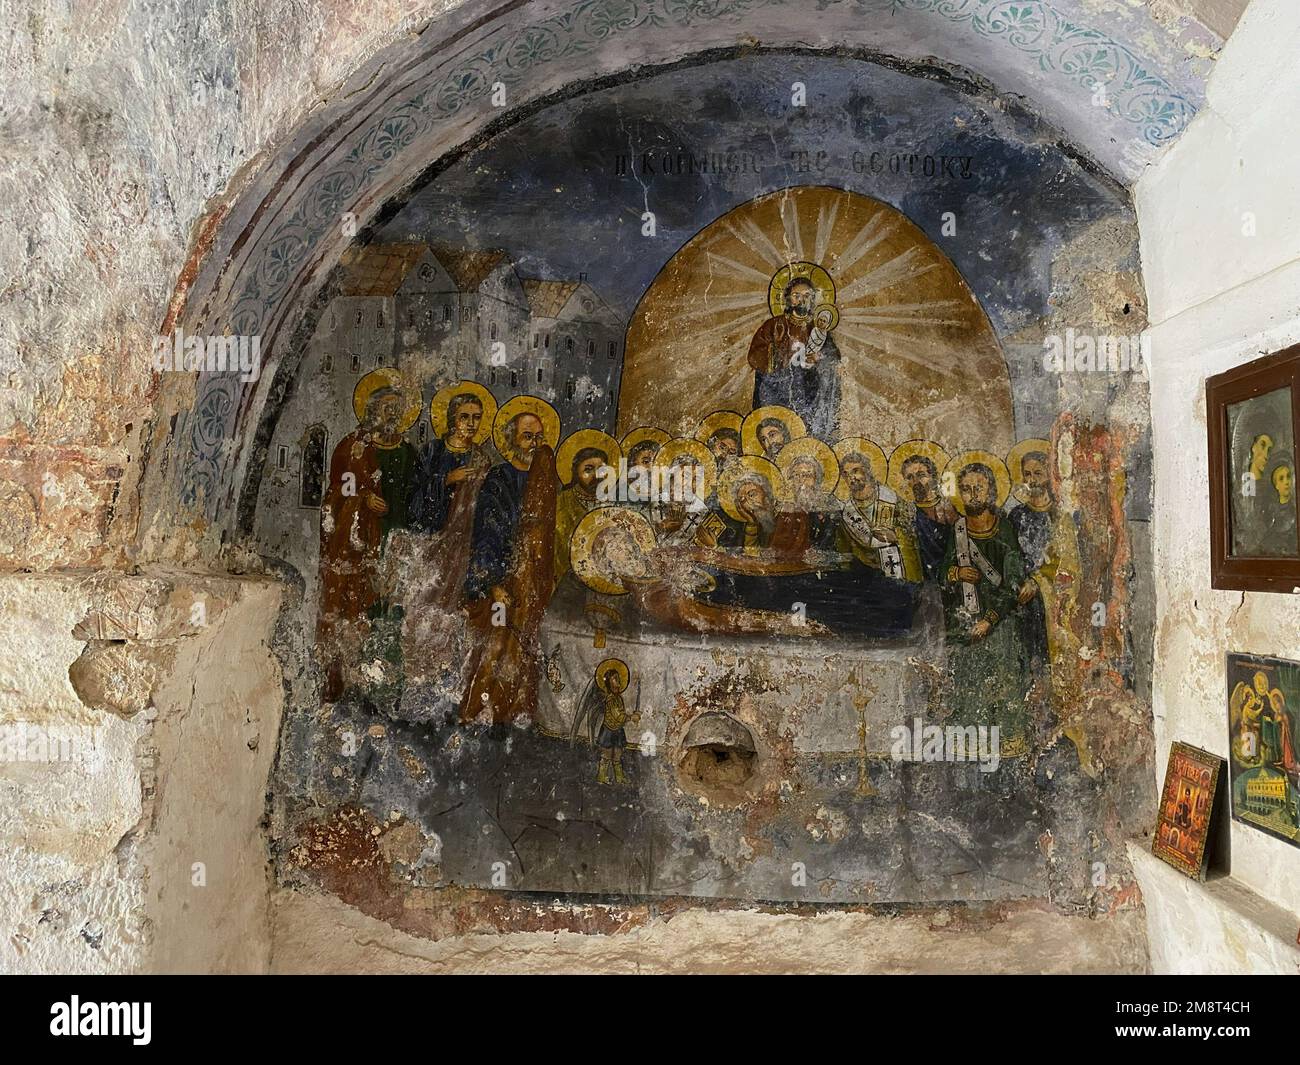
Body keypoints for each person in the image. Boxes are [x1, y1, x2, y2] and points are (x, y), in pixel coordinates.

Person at [317, 371, 418, 701]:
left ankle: (387, 692)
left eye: (397, 408)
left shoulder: (409, 454)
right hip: (359, 547)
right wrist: (362, 499)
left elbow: (418, 503)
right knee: (358, 616)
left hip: (397, 548)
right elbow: (336, 494)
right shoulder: (353, 449)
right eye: (385, 407)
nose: (392, 414)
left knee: (393, 618)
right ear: (371, 410)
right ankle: (352, 687)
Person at [460, 397, 559, 725]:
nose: (535, 444)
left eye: (539, 437)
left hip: (531, 585)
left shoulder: (545, 480)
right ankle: (479, 713)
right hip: (501, 583)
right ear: (510, 440)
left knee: (524, 652)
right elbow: (486, 535)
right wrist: (494, 584)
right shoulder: (499, 479)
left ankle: (512, 715)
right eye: (528, 436)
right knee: (496, 647)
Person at [939, 460, 1031, 753]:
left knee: (1004, 682)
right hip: (965, 623)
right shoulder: (958, 531)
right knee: (967, 683)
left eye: (978, 487)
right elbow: (941, 572)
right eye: (965, 489)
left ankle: (1008, 746)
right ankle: (967, 746)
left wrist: (989, 621)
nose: (973, 493)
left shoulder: (1004, 530)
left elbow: (1014, 584)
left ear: (991, 489)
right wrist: (956, 573)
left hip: (999, 623)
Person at [747, 275, 841, 439]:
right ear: (788, 299)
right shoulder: (774, 325)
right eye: (797, 296)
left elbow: (833, 358)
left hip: (810, 391)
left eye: (806, 296)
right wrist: (779, 358)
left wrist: (818, 359)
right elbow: (756, 354)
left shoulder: (817, 328)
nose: (801, 300)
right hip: (777, 388)